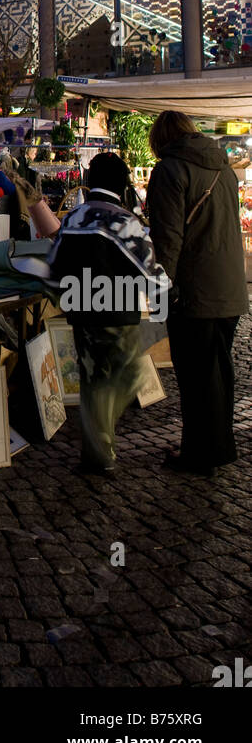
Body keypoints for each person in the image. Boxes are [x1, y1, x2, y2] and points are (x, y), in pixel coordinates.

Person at [47, 152, 170, 475]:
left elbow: (55, 264)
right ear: (123, 185)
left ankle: (96, 453)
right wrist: (165, 303)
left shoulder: (74, 218)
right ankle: (101, 449)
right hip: (119, 313)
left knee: (91, 380)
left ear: (89, 182)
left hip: (82, 312)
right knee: (129, 374)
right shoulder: (125, 221)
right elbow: (150, 270)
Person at [146, 110, 246, 477]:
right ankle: (217, 446)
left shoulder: (171, 171)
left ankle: (200, 454)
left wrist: (159, 290)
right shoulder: (224, 169)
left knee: (195, 376)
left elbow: (167, 240)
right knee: (219, 370)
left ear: (160, 140)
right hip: (229, 286)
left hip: (195, 289)